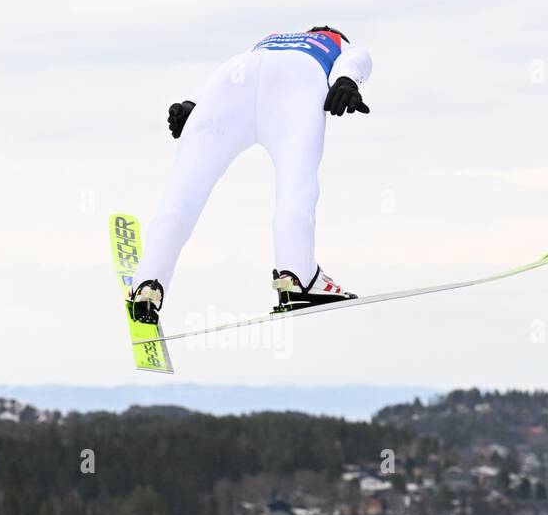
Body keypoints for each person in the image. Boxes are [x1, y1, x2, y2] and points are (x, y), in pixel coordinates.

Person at [128, 26, 372, 324]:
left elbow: (239, 77)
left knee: (184, 192)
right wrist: (347, 80)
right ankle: (296, 276)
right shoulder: (336, 43)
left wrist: (191, 105)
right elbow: (358, 59)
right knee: (297, 185)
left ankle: (147, 283)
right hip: (296, 82)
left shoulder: (268, 42)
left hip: (231, 78)